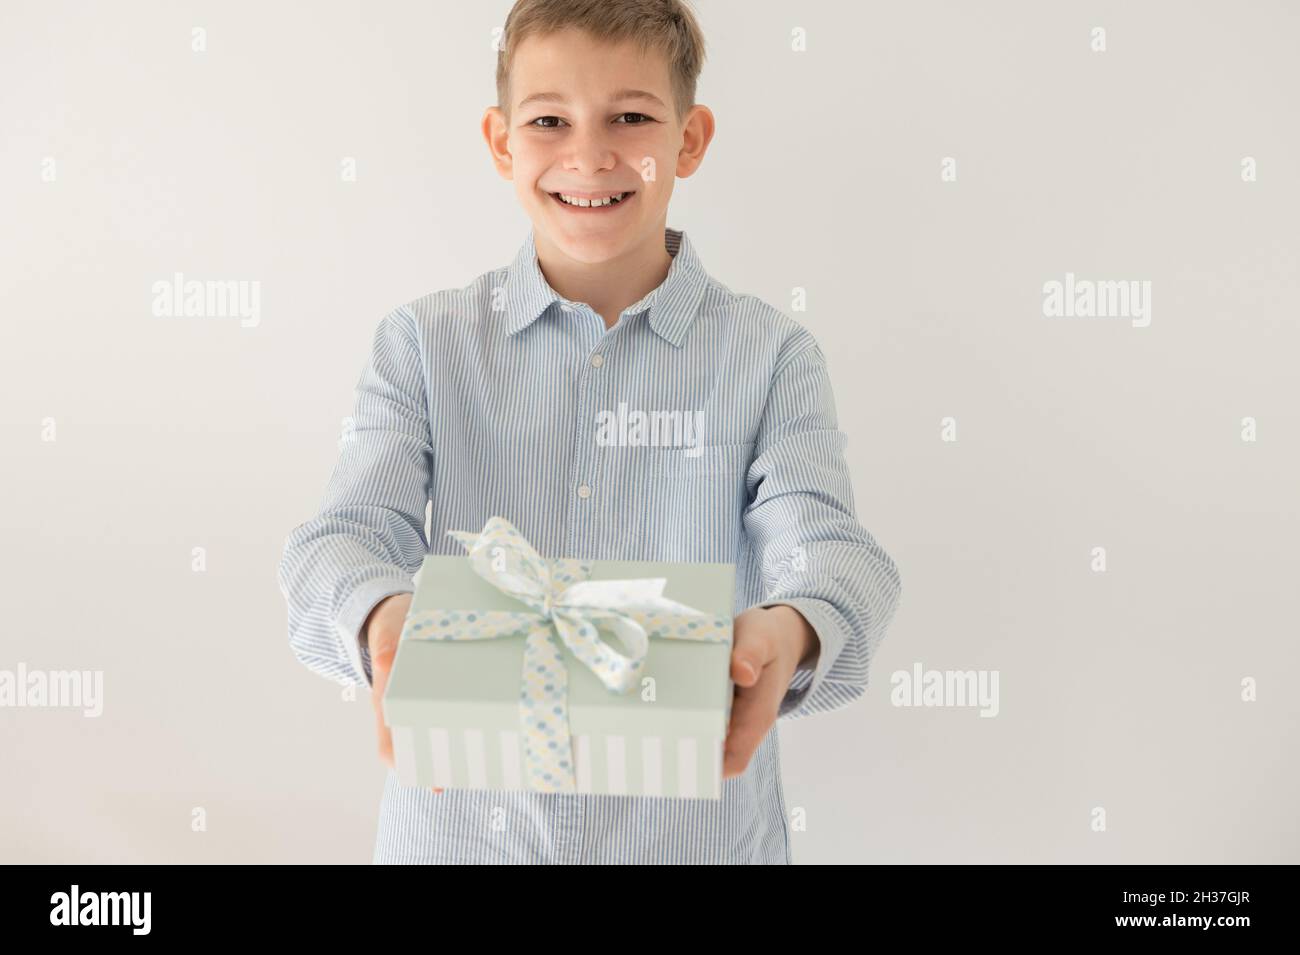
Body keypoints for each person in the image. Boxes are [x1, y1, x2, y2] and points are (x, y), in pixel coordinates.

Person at [276, 0, 902, 864]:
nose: (589, 155)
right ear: (501, 141)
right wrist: (382, 616)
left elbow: (831, 549)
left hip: (697, 840)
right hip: (461, 837)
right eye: (549, 121)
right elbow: (338, 541)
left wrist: (792, 626)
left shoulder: (771, 356)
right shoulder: (423, 344)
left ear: (689, 139)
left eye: (631, 116)